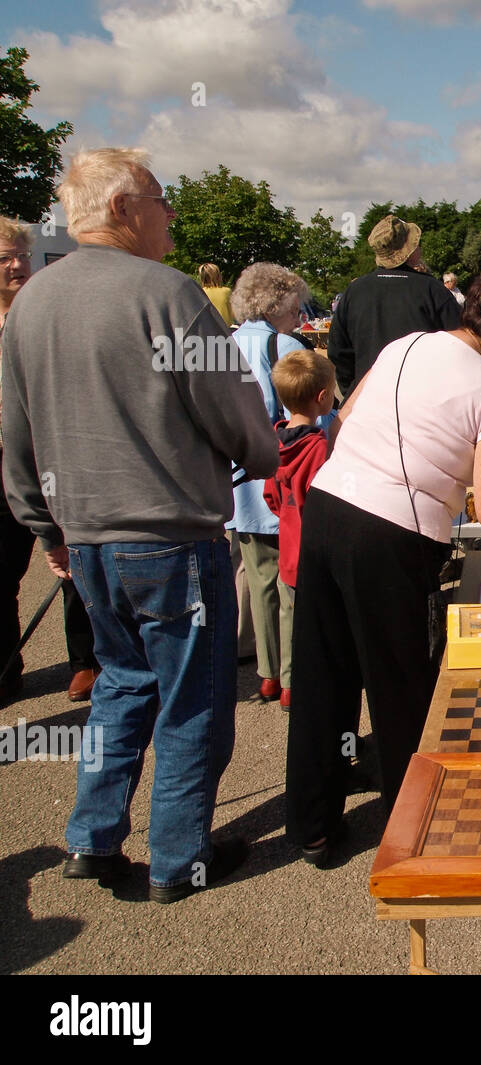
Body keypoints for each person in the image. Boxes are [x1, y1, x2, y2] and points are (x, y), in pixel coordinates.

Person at [2, 148, 279, 902]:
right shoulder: (168, 293)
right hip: (171, 538)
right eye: (161, 200)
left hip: (85, 537)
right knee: (192, 698)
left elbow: (15, 432)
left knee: (123, 684)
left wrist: (44, 529)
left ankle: (91, 837)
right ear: (124, 207)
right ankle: (177, 855)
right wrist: (262, 452)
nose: (171, 215)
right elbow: (235, 413)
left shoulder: (29, 302)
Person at [286, 261, 481, 867]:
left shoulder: (406, 344)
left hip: (329, 507)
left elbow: (345, 420)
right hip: (389, 535)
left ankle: (312, 826)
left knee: (323, 675)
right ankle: (410, 829)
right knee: (400, 686)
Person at [0, 216, 100, 704]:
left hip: (53, 457)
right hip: (3, 463)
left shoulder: (44, 313)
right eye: (6, 258)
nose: (19, 264)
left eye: (22, 254)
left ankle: (86, 661)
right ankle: (8, 666)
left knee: (70, 562)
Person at [228, 262, 316, 709]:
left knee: (258, 577)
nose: (300, 313)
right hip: (280, 476)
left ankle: (265, 673)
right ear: (277, 302)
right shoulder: (284, 346)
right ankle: (290, 678)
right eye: (295, 305)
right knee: (289, 584)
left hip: (236, 480)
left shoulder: (221, 345)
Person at [262, 349, 338, 711]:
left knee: (287, 613)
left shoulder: (272, 441)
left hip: (286, 543)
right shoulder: (318, 447)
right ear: (323, 397)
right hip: (312, 549)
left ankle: (280, 679)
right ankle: (298, 685)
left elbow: (270, 496)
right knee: (314, 626)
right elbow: (323, 500)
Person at [327, 214, 460, 397]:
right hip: (422, 400)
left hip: (368, 399)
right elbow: (460, 345)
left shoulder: (355, 291)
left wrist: (353, 391)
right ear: (411, 250)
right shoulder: (432, 290)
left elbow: (338, 352)